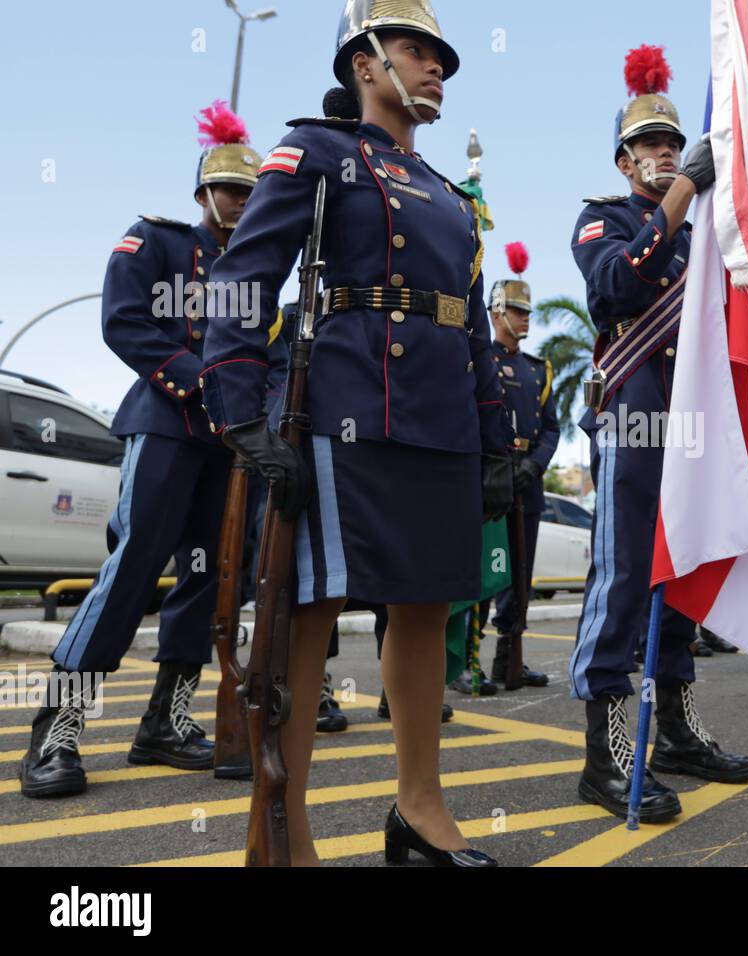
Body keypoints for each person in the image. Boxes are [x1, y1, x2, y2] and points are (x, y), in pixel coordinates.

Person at [199, 0, 514, 866]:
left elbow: (475, 327)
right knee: (311, 610)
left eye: (441, 55)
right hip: (346, 407)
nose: (434, 67)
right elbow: (242, 278)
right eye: (416, 51)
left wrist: (495, 440)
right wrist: (237, 411)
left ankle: (420, 811)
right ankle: (286, 831)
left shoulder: (453, 200)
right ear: (365, 65)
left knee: (425, 606)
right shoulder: (317, 152)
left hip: (439, 420)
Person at [19, 104, 272, 798]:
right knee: (133, 566)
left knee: (213, 581)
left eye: (251, 194)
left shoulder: (260, 274)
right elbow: (124, 321)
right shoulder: (157, 241)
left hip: (231, 445)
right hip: (168, 423)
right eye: (228, 190)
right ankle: (59, 730)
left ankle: (166, 721)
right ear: (203, 194)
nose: (240, 203)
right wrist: (205, 382)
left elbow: (273, 357)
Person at [567, 46, 748, 824]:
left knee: (685, 573)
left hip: (695, 421)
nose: (664, 152)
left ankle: (675, 727)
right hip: (634, 412)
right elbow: (618, 284)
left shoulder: (703, 232)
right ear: (623, 159)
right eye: (648, 143)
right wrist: (684, 192)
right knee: (622, 576)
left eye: (673, 143)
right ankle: (607, 752)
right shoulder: (602, 217)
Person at [449, 243, 558, 694]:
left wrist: (533, 465)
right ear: (495, 311)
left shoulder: (538, 369)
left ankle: (507, 657)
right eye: (516, 310)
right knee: (484, 570)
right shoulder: (481, 358)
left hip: (526, 482)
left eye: (528, 311)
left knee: (521, 575)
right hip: (489, 477)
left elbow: (551, 428)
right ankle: (466, 662)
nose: (525, 318)